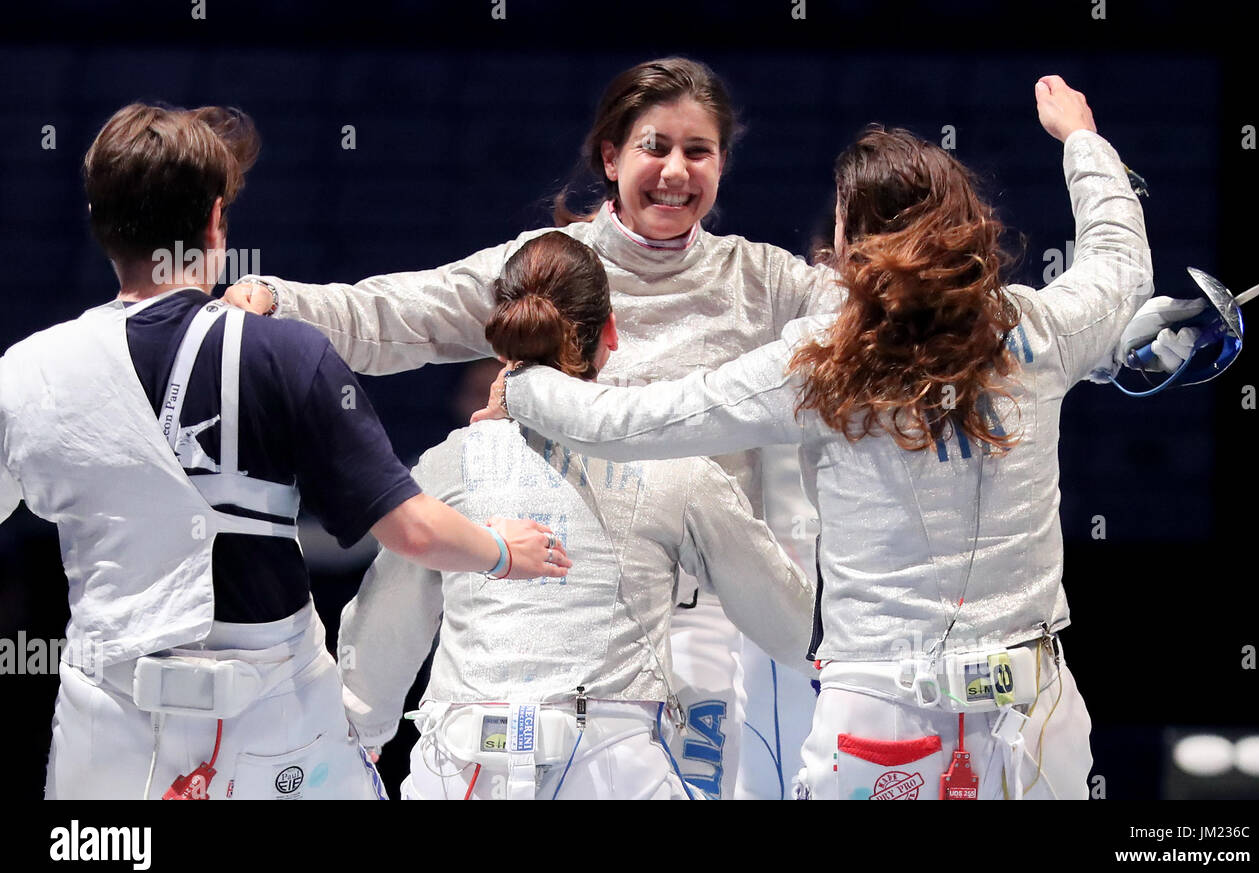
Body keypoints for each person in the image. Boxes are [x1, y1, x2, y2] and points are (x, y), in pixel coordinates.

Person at [476, 76, 1153, 799]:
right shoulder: (1037, 329)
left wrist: (525, 385)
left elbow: (634, 424)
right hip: (1031, 716)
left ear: (852, 241)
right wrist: (1082, 140)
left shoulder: (823, 362)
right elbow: (1120, 265)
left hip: (882, 718)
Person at [222, 57, 839, 798]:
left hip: (698, 609)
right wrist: (279, 301)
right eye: (655, 146)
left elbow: (871, 324)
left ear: (721, 163)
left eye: (697, 151)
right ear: (611, 157)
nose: (675, 170)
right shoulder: (549, 268)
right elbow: (402, 313)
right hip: (535, 594)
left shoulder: (763, 281)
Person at [0, 103, 567, 800]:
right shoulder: (285, 351)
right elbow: (413, 530)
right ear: (215, 222)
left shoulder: (27, 372)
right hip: (278, 729)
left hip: (108, 733)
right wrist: (505, 549)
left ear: (99, 220)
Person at [336, 231, 814, 799]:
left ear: (503, 343)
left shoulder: (446, 466)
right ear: (610, 333)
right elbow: (787, 626)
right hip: (610, 763)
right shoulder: (674, 465)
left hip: (461, 761)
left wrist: (360, 734)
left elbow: (386, 626)